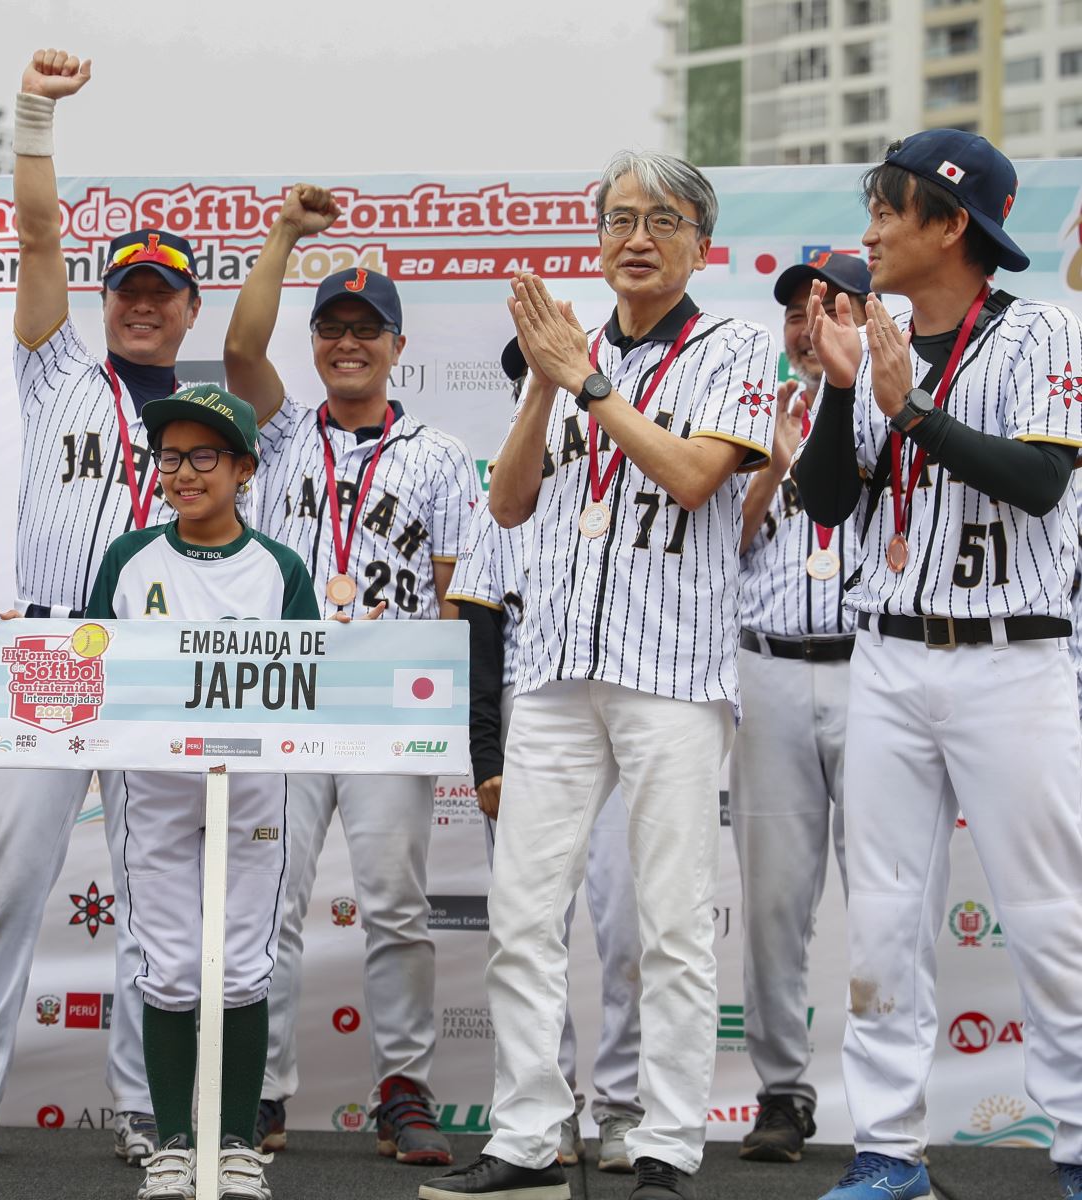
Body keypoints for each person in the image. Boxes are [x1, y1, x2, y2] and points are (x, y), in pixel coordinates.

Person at [424, 150, 775, 1200]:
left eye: (663, 220)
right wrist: (543, 384)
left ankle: (667, 1144)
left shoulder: (734, 345)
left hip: (670, 671)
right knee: (525, 916)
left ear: (701, 243)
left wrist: (587, 381)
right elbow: (508, 505)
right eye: (620, 218)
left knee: (672, 923)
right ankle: (529, 1137)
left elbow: (695, 476)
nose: (637, 237)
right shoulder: (569, 358)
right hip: (553, 668)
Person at [0, 47, 199, 1168]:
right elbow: (39, 235)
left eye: (160, 291)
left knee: (154, 900)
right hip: (48, 649)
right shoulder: (56, 368)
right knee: (5, 888)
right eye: (126, 288)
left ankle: (143, 1104)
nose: (141, 303)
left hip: (158, 662)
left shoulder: (214, 421)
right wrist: (34, 113)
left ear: (188, 308)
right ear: (106, 301)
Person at [793, 130, 1082, 1200]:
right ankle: (888, 1150)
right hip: (890, 655)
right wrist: (843, 390)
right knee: (882, 919)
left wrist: (907, 405)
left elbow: (1039, 483)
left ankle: (1078, 1144)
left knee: (1050, 919)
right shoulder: (881, 339)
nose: (870, 231)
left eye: (889, 208)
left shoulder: (1041, 329)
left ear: (953, 223)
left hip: (1014, 657)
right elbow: (829, 504)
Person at [224, 184, 479, 1169]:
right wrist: (285, 236)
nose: (347, 344)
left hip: (386, 702)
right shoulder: (280, 433)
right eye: (332, 328)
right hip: (289, 692)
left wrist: (452, 714)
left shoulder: (440, 455)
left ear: (396, 345)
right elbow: (240, 352)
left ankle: (403, 1089)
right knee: (270, 906)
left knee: (395, 905)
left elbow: (455, 594)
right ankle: (262, 1090)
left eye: (366, 330)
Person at [85, 384, 317, 1200]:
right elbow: (89, 662)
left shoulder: (280, 568)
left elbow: (309, 686)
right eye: (171, 456)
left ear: (245, 469)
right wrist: (19, 647)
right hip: (154, 785)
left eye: (205, 456)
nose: (183, 473)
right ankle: (174, 1145)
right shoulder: (128, 558)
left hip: (250, 785)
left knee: (245, 962)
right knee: (171, 965)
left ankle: (236, 1143)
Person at [447, 360, 644, 1175]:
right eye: (532, 380)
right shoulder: (505, 488)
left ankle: (626, 1104)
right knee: (531, 927)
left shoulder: (632, 472)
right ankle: (547, 1105)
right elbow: (478, 627)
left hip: (630, 703)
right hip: (537, 713)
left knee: (629, 925)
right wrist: (486, 754)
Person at [727, 252, 869, 1166]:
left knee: (886, 894)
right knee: (775, 902)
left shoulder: (894, 407)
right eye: (795, 311)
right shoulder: (747, 411)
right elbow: (717, 546)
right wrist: (772, 470)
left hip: (871, 668)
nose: (808, 324)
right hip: (770, 666)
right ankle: (781, 1091)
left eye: (830, 306)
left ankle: (892, 1100)